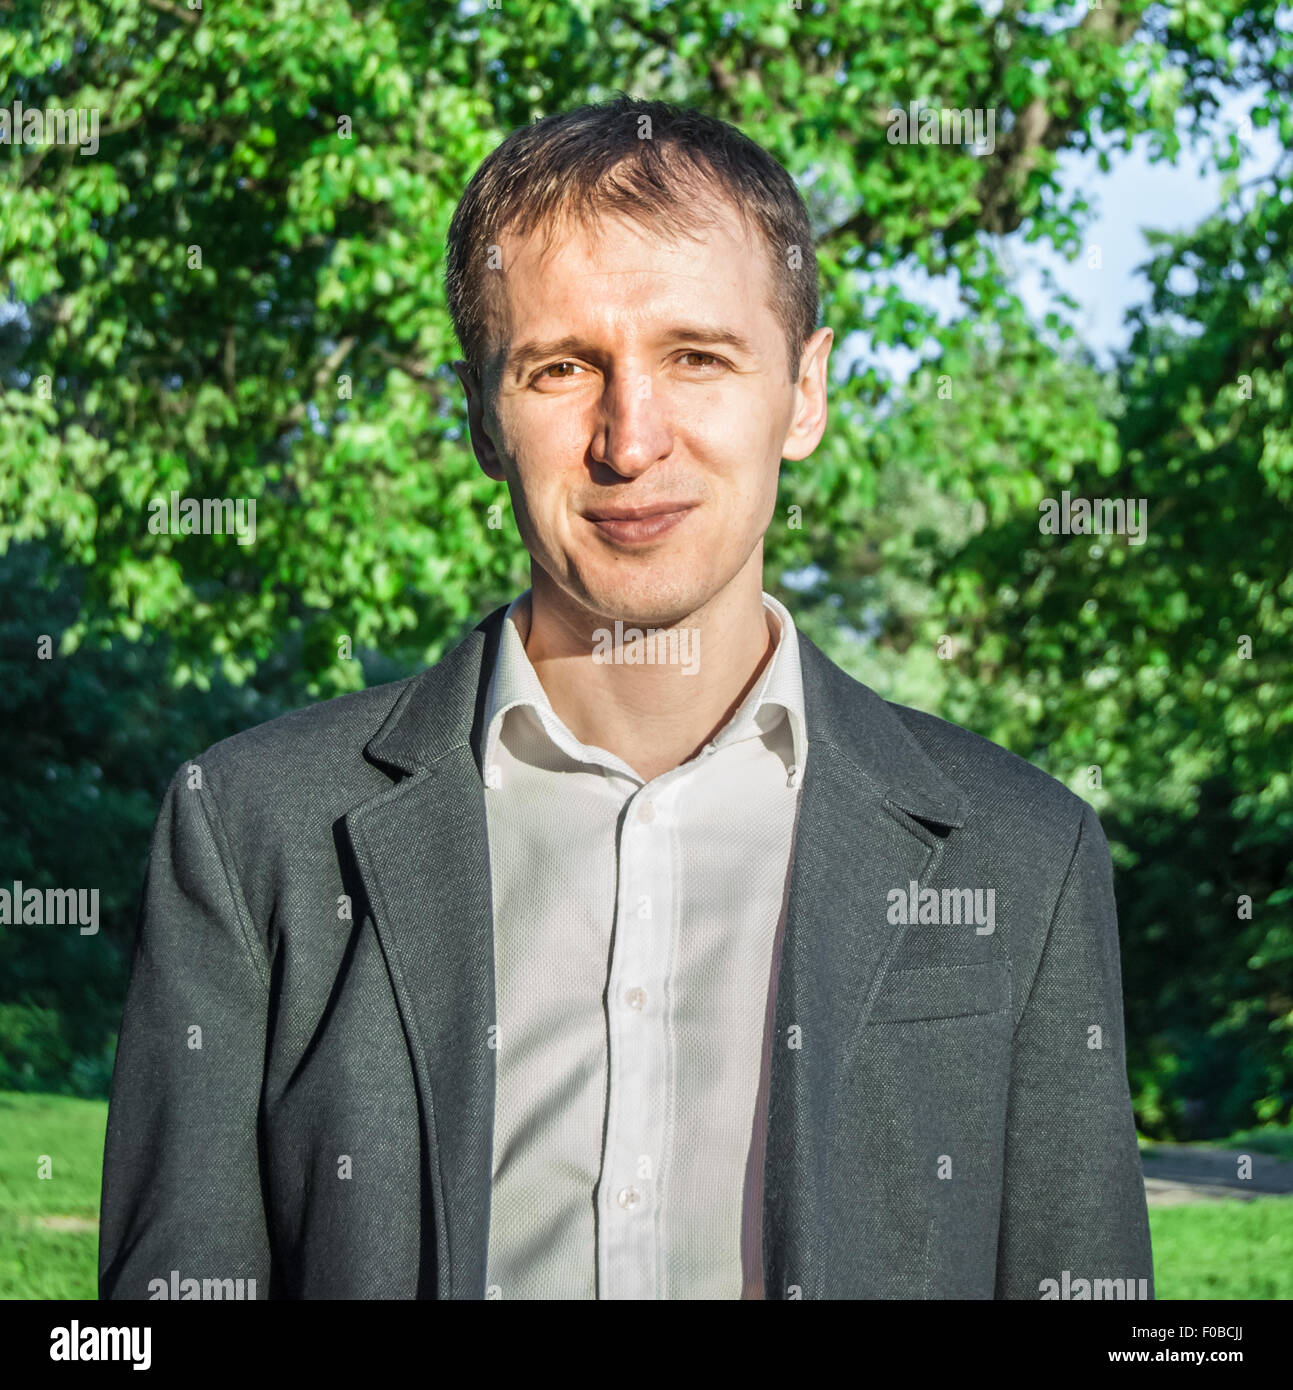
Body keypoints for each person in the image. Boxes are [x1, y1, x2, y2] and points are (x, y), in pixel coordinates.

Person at [99, 95, 1153, 1300]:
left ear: (804, 393)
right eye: (563, 368)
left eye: (697, 356)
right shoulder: (249, 831)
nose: (629, 438)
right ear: (482, 416)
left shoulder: (1026, 850)